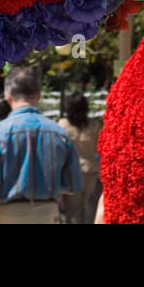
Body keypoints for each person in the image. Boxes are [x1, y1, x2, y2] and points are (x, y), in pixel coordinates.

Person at [0, 65, 81, 223]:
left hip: (6, 216)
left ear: (7, 95)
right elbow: (72, 185)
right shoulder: (60, 134)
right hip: (47, 215)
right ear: (39, 95)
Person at [58, 93, 102, 223]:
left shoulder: (63, 125)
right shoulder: (94, 125)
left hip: (72, 174)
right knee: (90, 211)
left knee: (73, 213)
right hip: (92, 172)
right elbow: (99, 148)